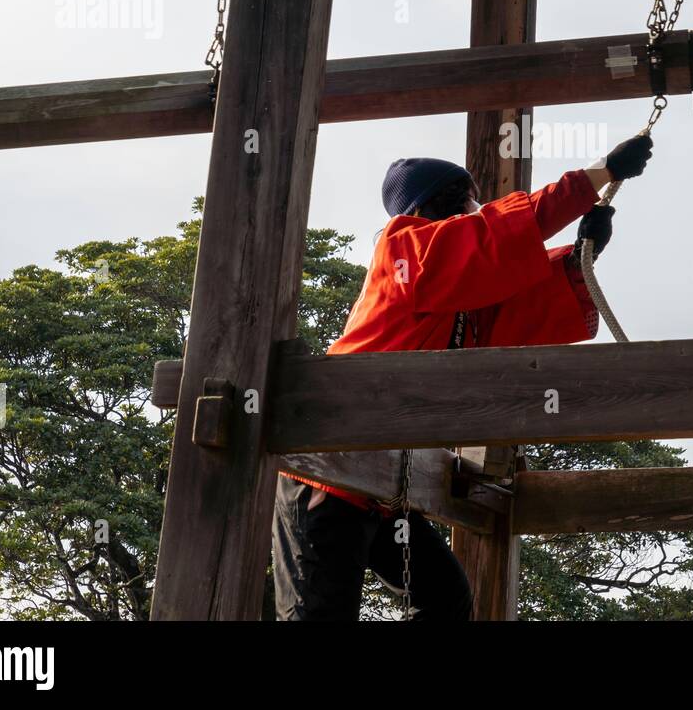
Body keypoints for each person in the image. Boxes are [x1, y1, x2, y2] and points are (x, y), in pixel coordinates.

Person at [271, 134, 654, 621]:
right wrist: (599, 175)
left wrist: (581, 252)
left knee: (447, 600)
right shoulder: (403, 251)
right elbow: (493, 237)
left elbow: (515, 311)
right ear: (439, 206)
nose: (480, 206)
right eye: (468, 197)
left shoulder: (462, 300)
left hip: (388, 491)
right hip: (327, 475)